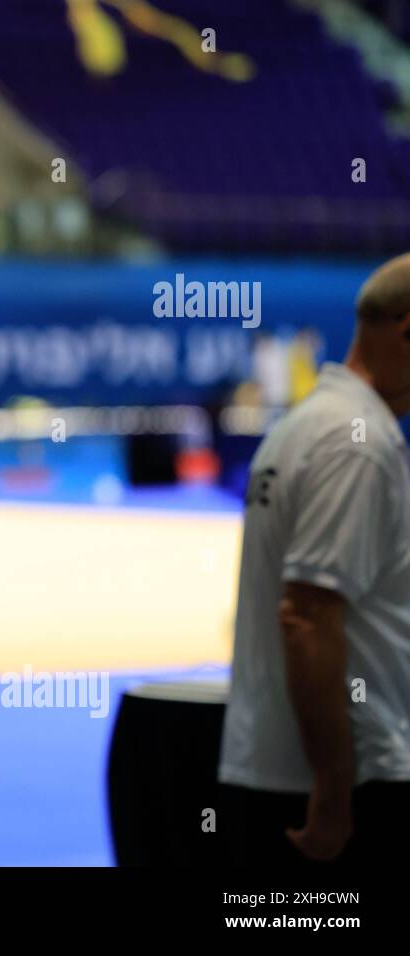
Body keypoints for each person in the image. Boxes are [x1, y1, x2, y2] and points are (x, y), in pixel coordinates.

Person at [218, 253, 410, 865]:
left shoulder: (306, 426)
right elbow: (306, 618)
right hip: (342, 789)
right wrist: (332, 785)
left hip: (279, 770)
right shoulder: (357, 443)